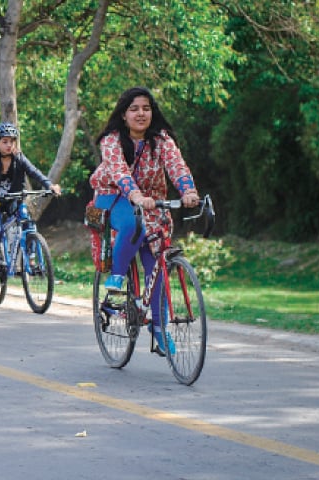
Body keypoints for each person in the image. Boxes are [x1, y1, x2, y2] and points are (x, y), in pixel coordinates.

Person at [89, 86, 199, 355]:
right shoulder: (112, 140)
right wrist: (135, 195)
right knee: (131, 224)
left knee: (157, 267)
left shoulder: (161, 140)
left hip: (151, 204)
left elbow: (177, 165)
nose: (141, 114)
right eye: (134, 109)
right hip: (112, 197)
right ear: (124, 114)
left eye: (146, 108)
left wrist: (188, 190)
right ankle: (116, 278)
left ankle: (159, 329)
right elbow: (118, 170)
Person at [0, 122, 61, 282]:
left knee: (27, 221)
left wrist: (50, 185)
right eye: (5, 141)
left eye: (12, 141)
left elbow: (34, 172)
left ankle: (31, 261)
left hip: (11, 201)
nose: (9, 145)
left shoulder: (19, 158)